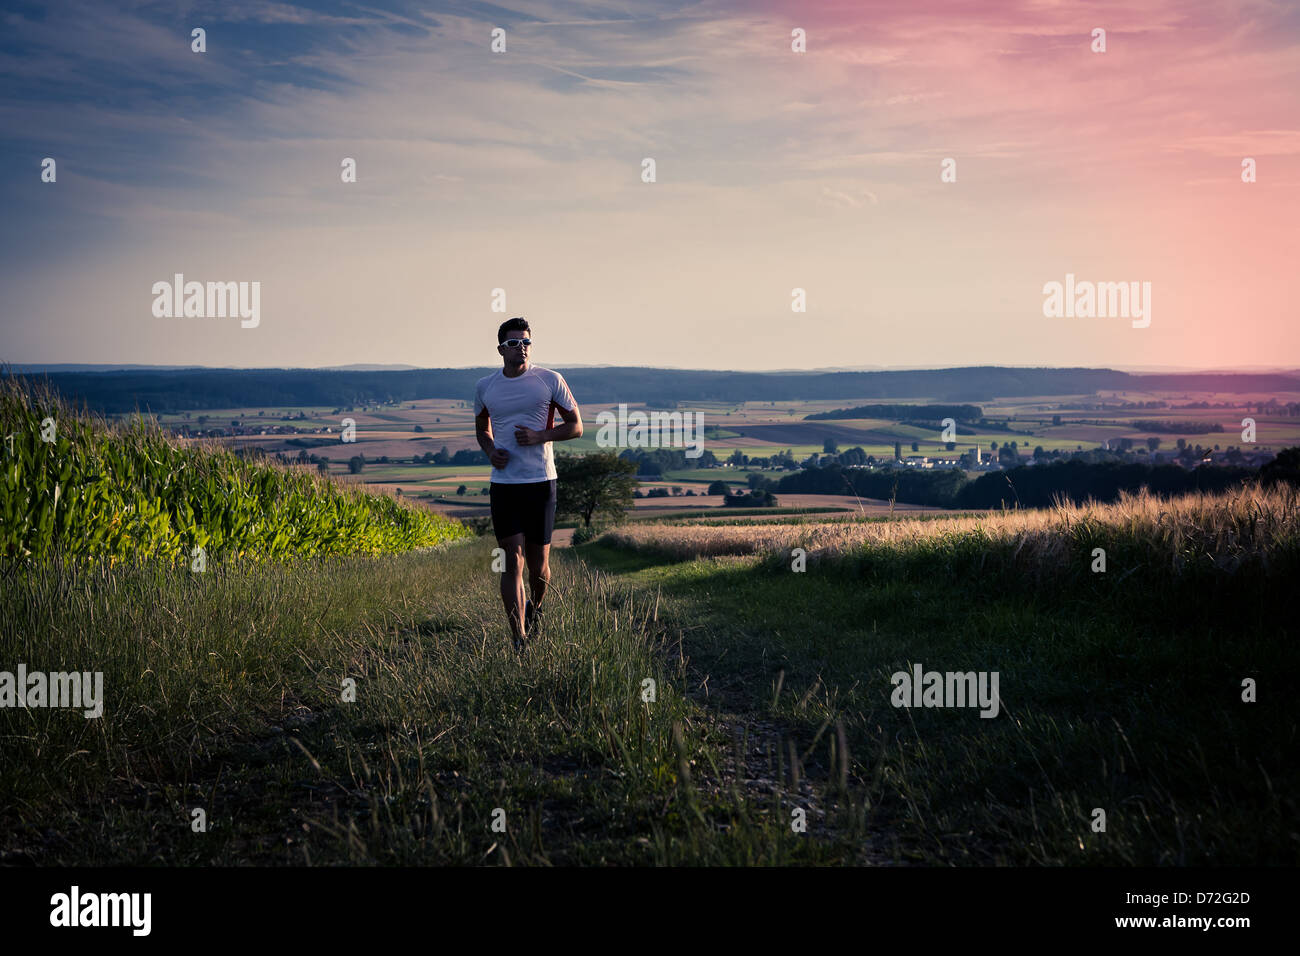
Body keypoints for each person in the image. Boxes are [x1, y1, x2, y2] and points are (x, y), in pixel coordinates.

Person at [474, 317, 583, 650]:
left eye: (525, 341)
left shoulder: (550, 380)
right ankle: (518, 637)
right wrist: (491, 451)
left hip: (541, 482)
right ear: (500, 350)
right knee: (512, 561)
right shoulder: (485, 387)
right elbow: (482, 429)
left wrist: (541, 436)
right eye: (513, 343)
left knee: (539, 567)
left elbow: (576, 426)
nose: (520, 347)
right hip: (505, 485)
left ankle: (536, 607)